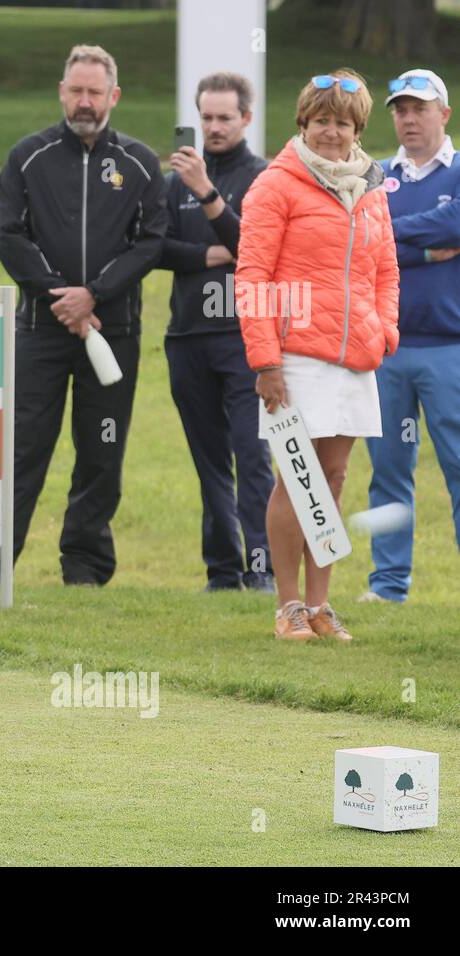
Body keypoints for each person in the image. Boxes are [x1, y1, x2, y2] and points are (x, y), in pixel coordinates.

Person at [0, 45, 167, 587]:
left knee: (101, 450)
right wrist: (63, 297)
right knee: (23, 447)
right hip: (40, 331)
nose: (83, 101)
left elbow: (150, 243)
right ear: (61, 92)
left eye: (94, 92)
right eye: (75, 90)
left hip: (113, 332)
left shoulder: (141, 165)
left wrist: (95, 295)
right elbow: (10, 238)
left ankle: (86, 568)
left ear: (113, 96)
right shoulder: (28, 158)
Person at [235, 70, 399, 640]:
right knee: (294, 477)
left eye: (344, 123)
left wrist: (386, 330)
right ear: (303, 122)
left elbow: (386, 271)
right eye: (323, 120)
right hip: (294, 356)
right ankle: (287, 608)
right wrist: (266, 361)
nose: (332, 132)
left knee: (332, 477)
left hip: (355, 356)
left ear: (359, 129)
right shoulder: (274, 185)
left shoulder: (372, 189)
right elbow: (252, 275)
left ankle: (321, 605)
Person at [159, 73, 275, 593]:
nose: (214, 127)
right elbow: (151, 248)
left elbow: (252, 248)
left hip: (246, 338)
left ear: (246, 118)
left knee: (252, 457)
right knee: (209, 462)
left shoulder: (264, 178)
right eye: (206, 117)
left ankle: (262, 568)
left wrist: (206, 193)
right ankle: (222, 572)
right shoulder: (171, 182)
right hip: (187, 336)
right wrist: (207, 255)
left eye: (225, 117)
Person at [361, 69, 460, 605]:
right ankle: (387, 585)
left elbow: (458, 226)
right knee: (388, 471)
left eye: (419, 108)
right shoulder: (376, 175)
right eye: (400, 109)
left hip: (450, 349)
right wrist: (424, 248)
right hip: (389, 350)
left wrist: (394, 234)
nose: (408, 118)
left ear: (443, 114)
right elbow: (361, 242)